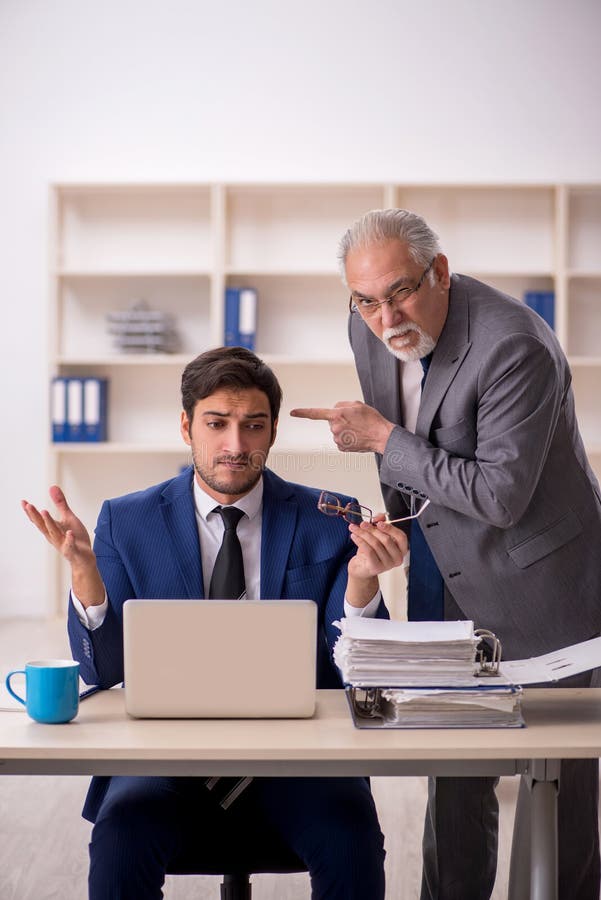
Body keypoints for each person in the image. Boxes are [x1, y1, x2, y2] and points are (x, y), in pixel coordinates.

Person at [291, 208, 601, 900]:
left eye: (399, 292)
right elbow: (414, 435)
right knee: (454, 767)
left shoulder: (512, 345)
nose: (383, 316)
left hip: (542, 576)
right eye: (365, 300)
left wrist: (379, 439)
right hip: (442, 560)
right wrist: (395, 522)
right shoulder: (364, 322)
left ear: (439, 273)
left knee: (557, 783)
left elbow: (498, 495)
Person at [22, 346, 408, 900]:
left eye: (253, 426)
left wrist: (363, 582)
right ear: (186, 426)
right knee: (120, 836)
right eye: (217, 424)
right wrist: (85, 573)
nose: (236, 445)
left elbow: (360, 676)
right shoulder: (125, 521)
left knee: (351, 839)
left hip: (302, 759)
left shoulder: (331, 519)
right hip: (166, 757)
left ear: (273, 432)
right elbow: (104, 670)